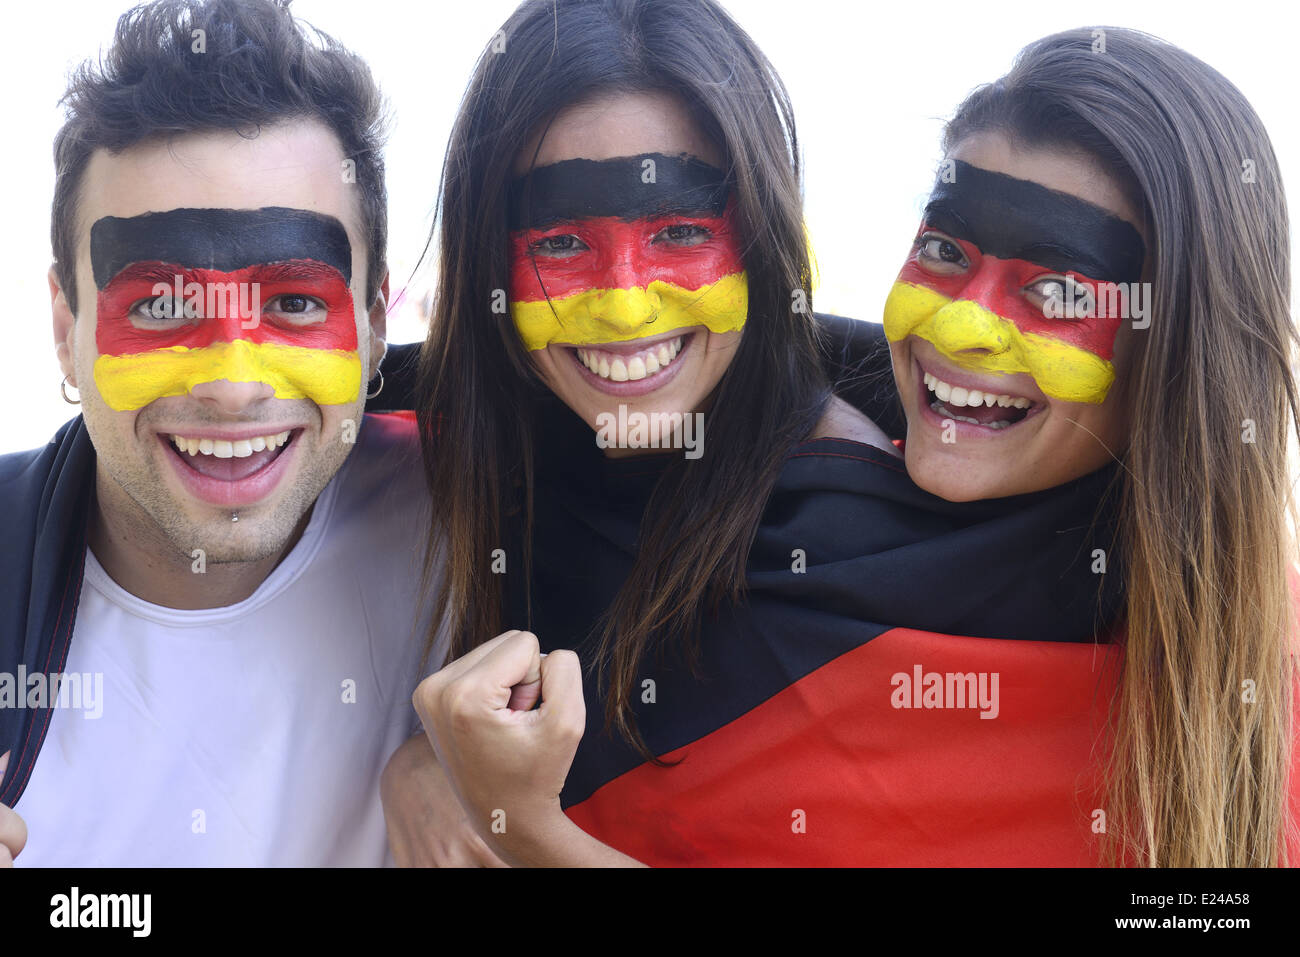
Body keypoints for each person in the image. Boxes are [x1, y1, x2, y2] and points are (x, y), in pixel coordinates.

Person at [0, 0, 441, 866]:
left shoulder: (490, 513)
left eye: (294, 303)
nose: (234, 388)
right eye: (161, 306)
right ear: (67, 325)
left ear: (375, 321)